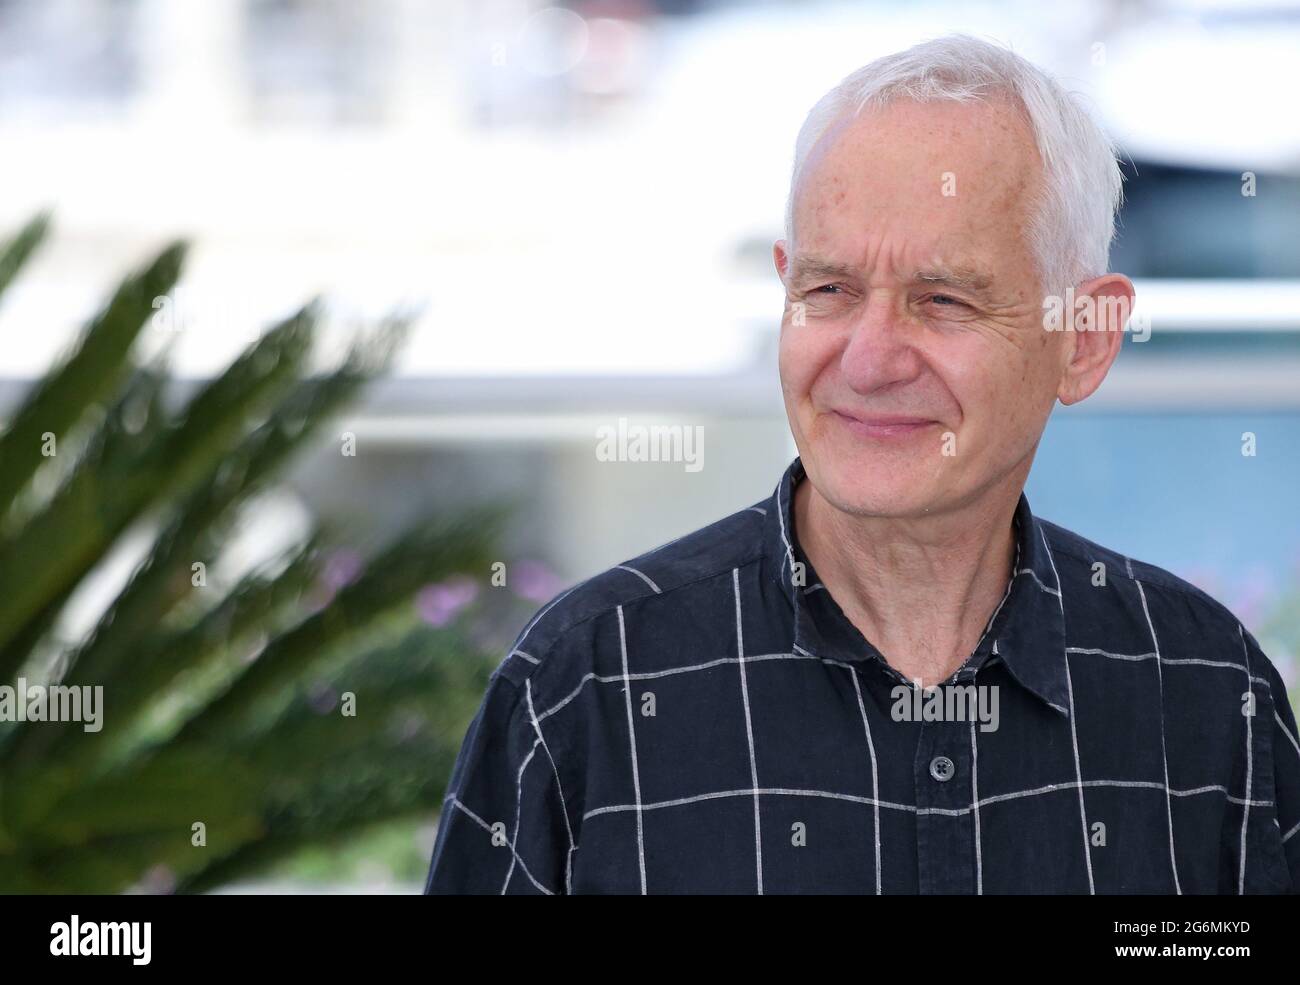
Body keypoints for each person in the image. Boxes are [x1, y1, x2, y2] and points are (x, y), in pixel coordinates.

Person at [424, 34, 1300, 894]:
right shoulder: (584, 688)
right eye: (829, 290)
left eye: (942, 299)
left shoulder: (1207, 690)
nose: (870, 359)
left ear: (1084, 338)